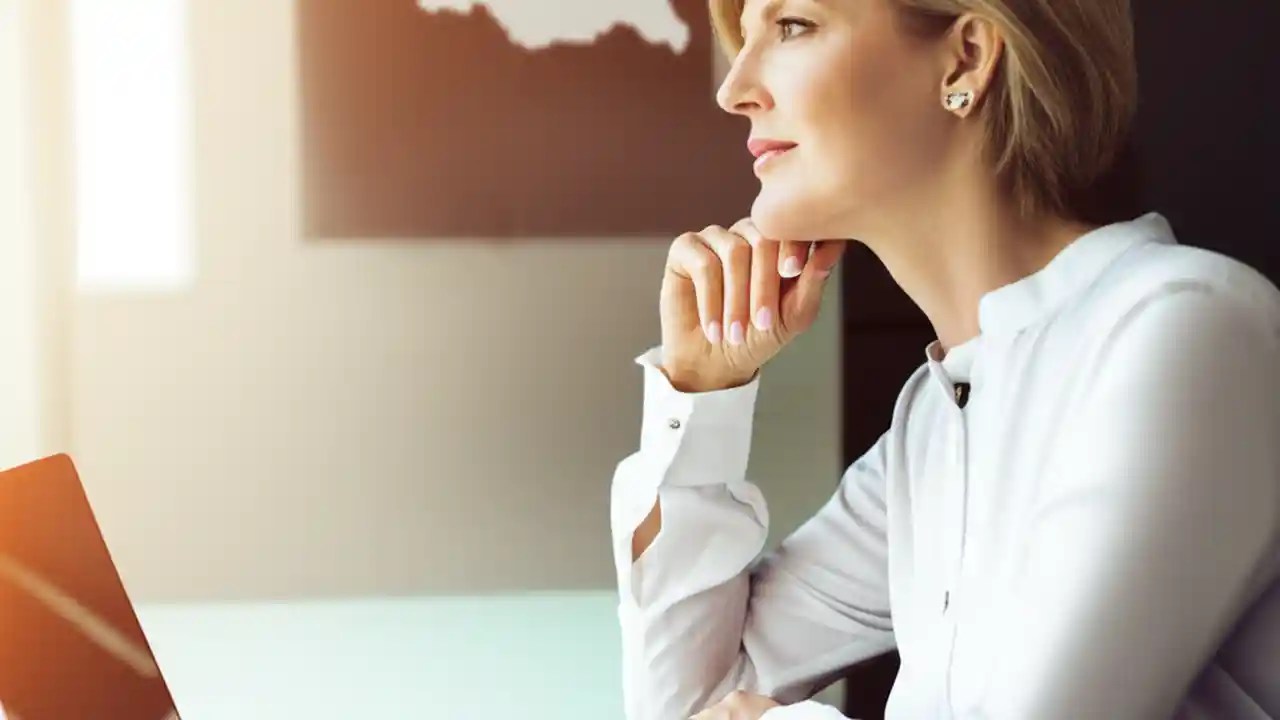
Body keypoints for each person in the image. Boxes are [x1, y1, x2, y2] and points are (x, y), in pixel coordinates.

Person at [607, 0, 1280, 718]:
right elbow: (689, 702)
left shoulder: (1186, 326)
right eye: (745, 38)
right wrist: (705, 392)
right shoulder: (930, 428)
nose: (734, 88)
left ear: (965, 57)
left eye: (793, 26)